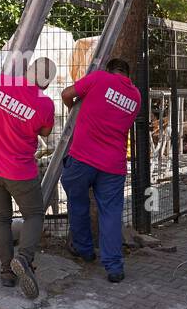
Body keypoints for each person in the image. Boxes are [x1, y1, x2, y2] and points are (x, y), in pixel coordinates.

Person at [0, 55, 57, 299]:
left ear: (28, 71)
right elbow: (46, 131)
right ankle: (24, 259)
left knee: (1, 218)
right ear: (47, 82)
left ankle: (7, 271)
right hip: (20, 171)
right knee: (34, 214)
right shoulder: (45, 104)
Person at [59, 58, 141, 283]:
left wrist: (74, 110)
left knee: (78, 203)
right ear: (127, 74)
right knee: (111, 214)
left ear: (109, 71)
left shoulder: (99, 78)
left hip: (82, 157)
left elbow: (67, 94)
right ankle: (114, 267)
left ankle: (85, 250)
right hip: (113, 165)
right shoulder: (136, 96)